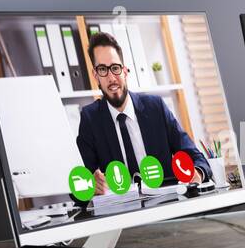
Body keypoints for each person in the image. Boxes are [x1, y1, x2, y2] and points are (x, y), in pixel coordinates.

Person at [75, 32, 210, 194]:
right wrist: (91, 185)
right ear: (95, 75)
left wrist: (197, 173)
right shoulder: (90, 119)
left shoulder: (156, 107)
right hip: (122, 214)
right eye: (103, 69)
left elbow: (198, 159)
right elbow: (78, 184)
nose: (111, 77)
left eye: (115, 68)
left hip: (166, 206)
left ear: (125, 71)